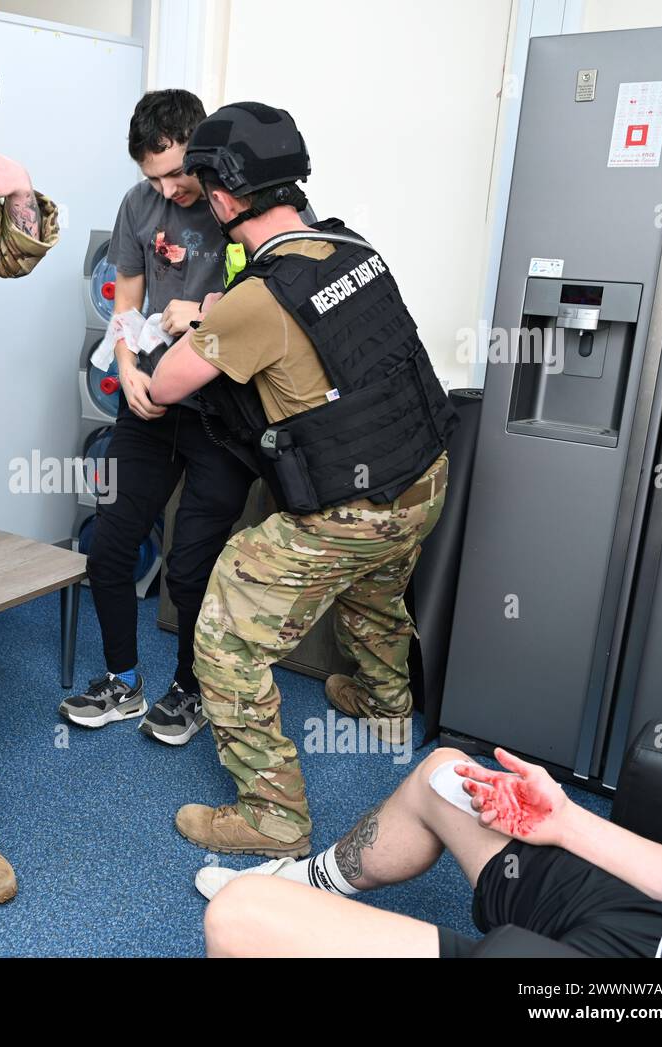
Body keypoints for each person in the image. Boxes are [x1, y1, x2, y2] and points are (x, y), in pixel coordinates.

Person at [149, 101, 456, 858]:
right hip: (423, 477)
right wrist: (230, 317)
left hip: (352, 510)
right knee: (375, 587)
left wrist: (194, 332)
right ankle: (386, 705)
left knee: (223, 631)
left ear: (223, 197)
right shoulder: (351, 248)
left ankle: (272, 813)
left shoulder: (258, 296)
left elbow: (164, 386)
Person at [59, 90, 256, 747]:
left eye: (178, 173)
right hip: (146, 401)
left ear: (203, 150)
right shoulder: (139, 205)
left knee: (191, 567)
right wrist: (125, 360)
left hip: (218, 413)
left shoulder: (241, 205)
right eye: (154, 178)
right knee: (110, 547)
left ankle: (191, 690)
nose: (168, 189)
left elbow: (273, 307)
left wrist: (203, 315)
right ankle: (122, 682)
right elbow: (127, 301)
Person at [198, 746, 662, 958]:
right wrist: (566, 822)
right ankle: (314, 878)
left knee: (239, 916)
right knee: (445, 777)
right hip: (661, 923)